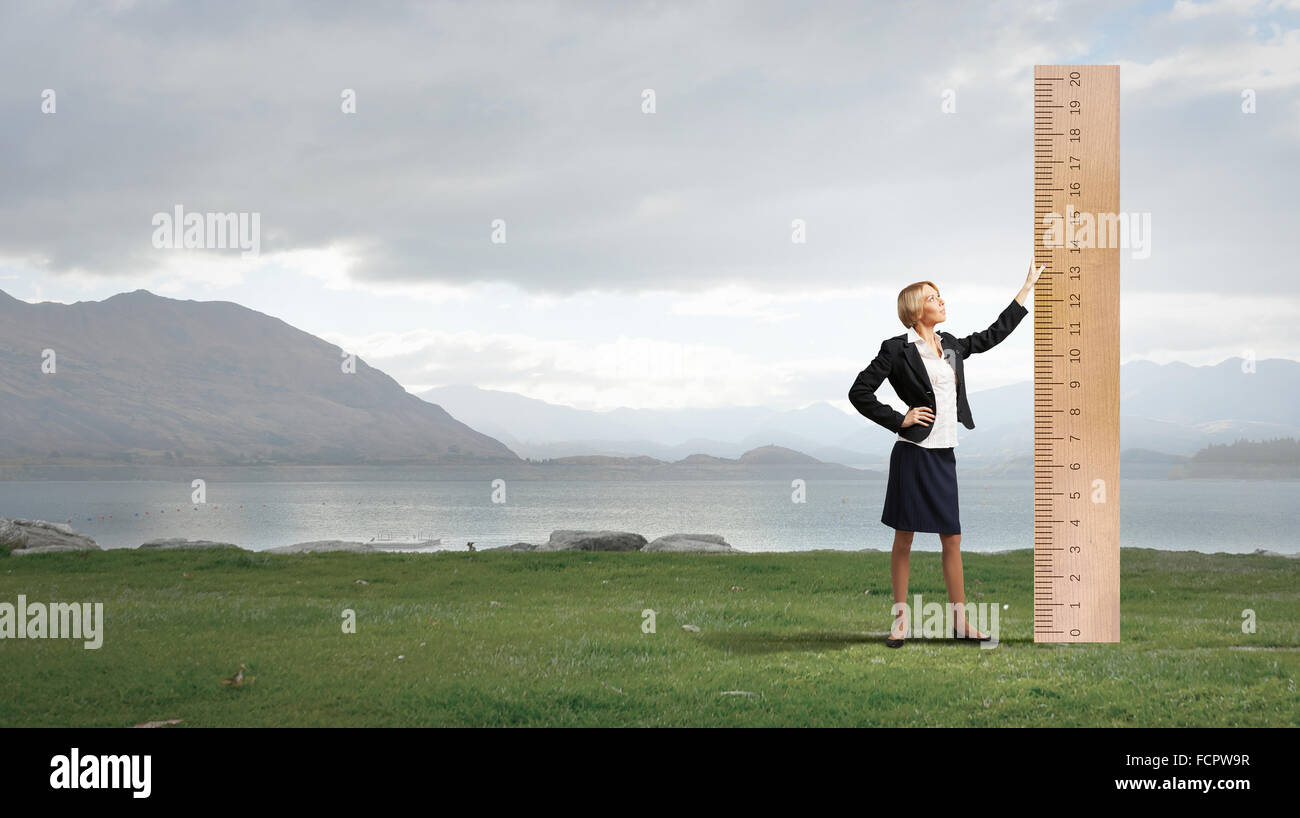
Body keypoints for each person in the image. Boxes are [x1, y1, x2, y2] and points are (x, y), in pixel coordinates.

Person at [848, 262, 1043, 647]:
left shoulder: (950, 345)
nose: (942, 301)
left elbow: (991, 336)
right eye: (934, 298)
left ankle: (960, 622)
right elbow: (859, 391)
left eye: (940, 296)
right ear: (917, 309)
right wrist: (898, 418)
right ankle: (900, 623)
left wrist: (1026, 289)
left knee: (951, 538)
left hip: (943, 456)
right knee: (904, 538)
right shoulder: (896, 349)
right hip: (913, 452)